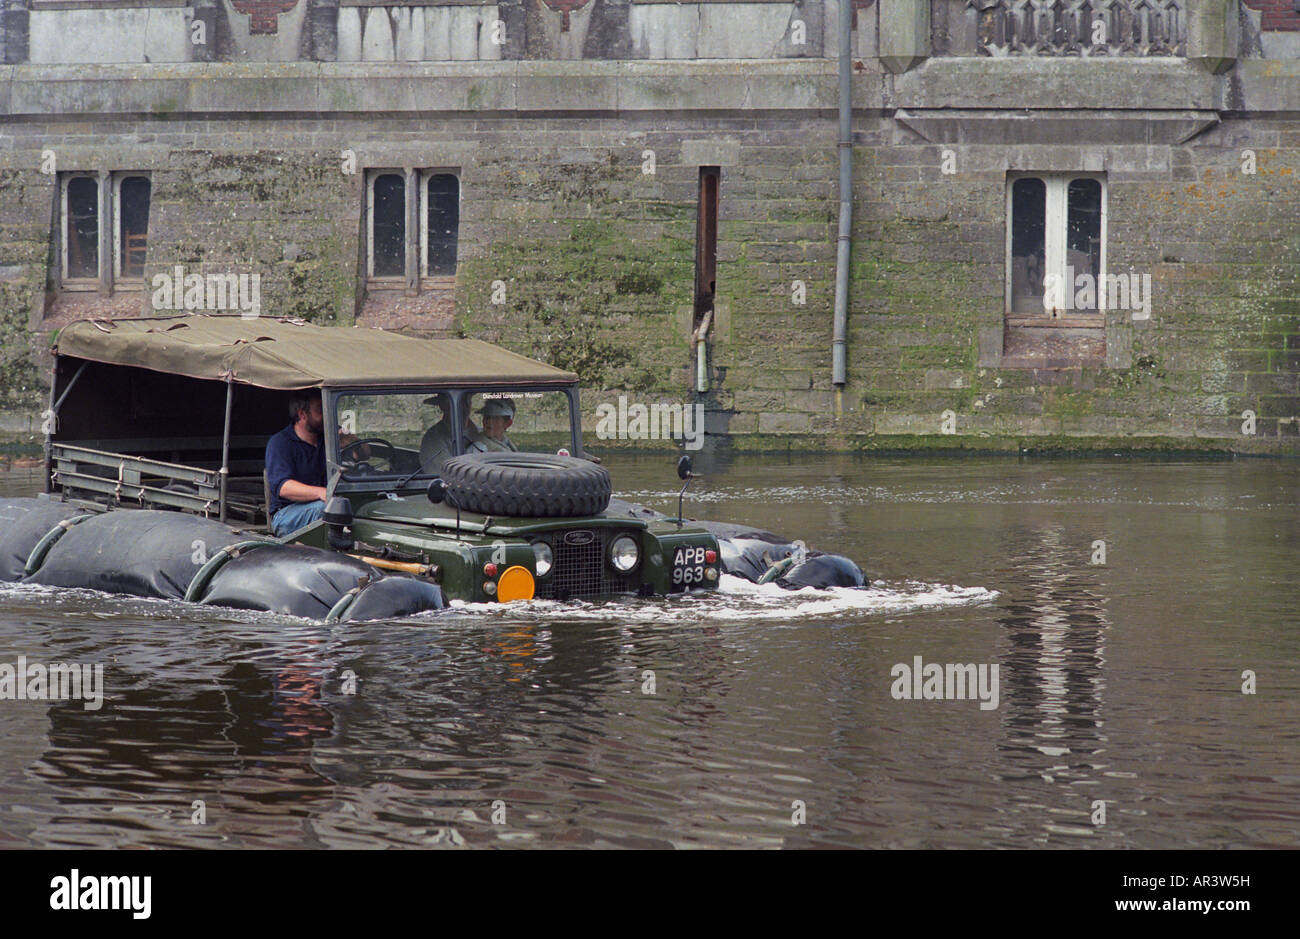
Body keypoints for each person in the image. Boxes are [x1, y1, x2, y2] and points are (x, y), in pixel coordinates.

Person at [266, 390, 328, 536]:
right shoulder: (280, 443)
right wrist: (321, 492)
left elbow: (364, 455)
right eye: (320, 409)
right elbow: (284, 487)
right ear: (302, 414)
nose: (325, 414)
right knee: (328, 508)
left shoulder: (328, 440)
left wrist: (352, 442)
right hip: (287, 514)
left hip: (324, 503)